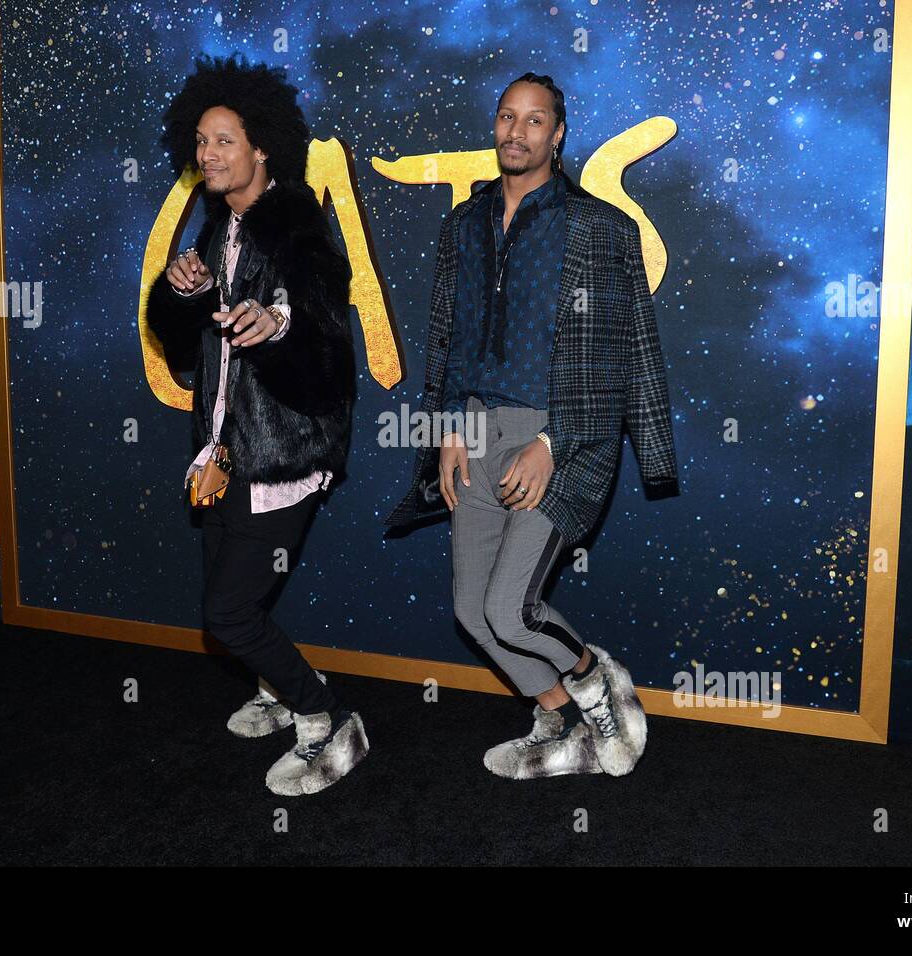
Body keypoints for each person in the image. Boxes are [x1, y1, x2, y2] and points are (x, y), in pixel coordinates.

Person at [386, 73, 681, 780]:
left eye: (535, 121)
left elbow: (624, 346)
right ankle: (555, 719)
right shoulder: (464, 224)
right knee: (471, 610)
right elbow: (445, 338)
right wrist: (449, 429)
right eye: (506, 117)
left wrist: (555, 443)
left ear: (558, 135)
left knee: (511, 607)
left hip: (560, 439)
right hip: (476, 434)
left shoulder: (599, 226)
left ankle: (596, 684)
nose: (516, 133)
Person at [146, 53, 366, 796]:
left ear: (262, 146)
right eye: (201, 140)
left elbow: (331, 364)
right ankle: (278, 690)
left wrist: (278, 328)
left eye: (224, 140)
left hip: (284, 455)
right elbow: (185, 351)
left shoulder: (299, 232)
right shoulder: (218, 231)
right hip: (224, 455)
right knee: (234, 596)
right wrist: (184, 295)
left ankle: (324, 718)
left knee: (228, 614)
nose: (208, 153)